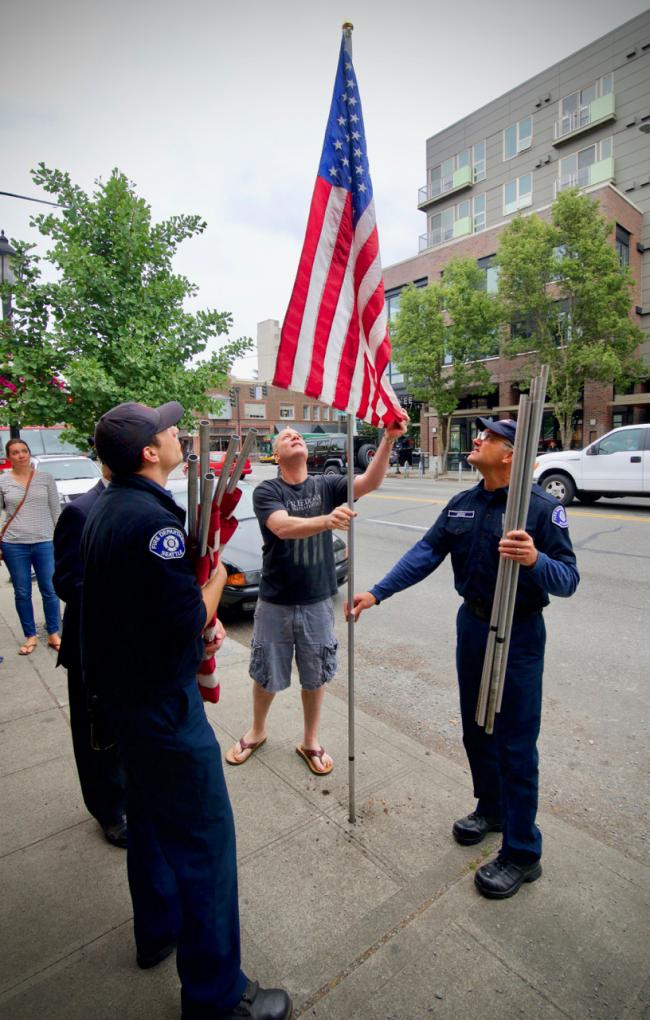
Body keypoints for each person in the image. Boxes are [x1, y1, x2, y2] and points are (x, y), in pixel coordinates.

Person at [82, 401, 291, 1020]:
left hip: (130, 699)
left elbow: (141, 613)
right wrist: (218, 577)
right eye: (168, 429)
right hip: (161, 708)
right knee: (205, 844)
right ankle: (217, 997)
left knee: (148, 820)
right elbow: (186, 615)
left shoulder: (110, 505)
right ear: (150, 451)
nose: (177, 433)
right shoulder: (151, 523)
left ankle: (160, 931)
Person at [347, 417, 579, 900]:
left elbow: (569, 580)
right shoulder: (464, 504)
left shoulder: (540, 509)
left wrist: (536, 560)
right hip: (472, 625)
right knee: (477, 727)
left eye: (489, 437)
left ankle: (522, 852)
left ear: (511, 453)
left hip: (518, 633)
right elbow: (426, 552)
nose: (477, 440)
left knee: (516, 744)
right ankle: (492, 810)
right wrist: (377, 593)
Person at [225, 421, 407, 775]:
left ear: (306, 450)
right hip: (275, 600)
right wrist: (327, 521)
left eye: (298, 435)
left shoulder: (327, 484)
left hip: (316, 601)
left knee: (316, 674)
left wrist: (388, 439)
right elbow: (281, 526)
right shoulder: (267, 490)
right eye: (285, 436)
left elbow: (369, 481)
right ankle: (257, 731)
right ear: (276, 455)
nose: (294, 436)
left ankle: (310, 740)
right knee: (266, 672)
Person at [52, 462, 128, 849]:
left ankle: (130, 795)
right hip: (91, 649)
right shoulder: (81, 511)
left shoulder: (142, 504)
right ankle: (109, 811)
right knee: (96, 737)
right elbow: (67, 582)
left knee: (125, 732)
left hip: (132, 651)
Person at [0, 438, 61, 655]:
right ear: (9, 457)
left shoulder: (45, 478)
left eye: (24, 451)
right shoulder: (3, 481)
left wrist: (61, 540)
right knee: (22, 592)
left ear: (29, 453)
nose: (21, 455)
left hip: (45, 541)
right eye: (15, 452)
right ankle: (30, 636)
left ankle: (54, 632)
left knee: (50, 589)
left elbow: (56, 511)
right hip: (14, 544)